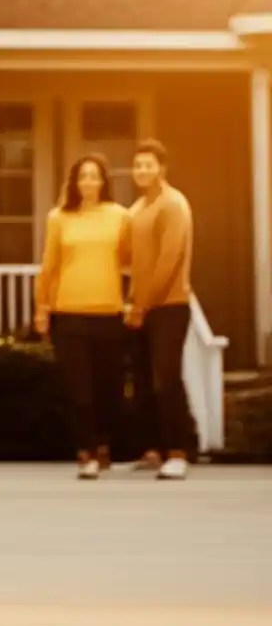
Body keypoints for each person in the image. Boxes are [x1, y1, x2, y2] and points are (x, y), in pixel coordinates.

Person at [34, 154, 130, 480]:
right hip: (68, 313)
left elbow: (132, 261)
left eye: (95, 176)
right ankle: (84, 453)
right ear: (75, 182)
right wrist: (42, 308)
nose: (88, 182)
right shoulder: (59, 217)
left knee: (109, 390)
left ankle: (103, 444)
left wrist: (134, 300)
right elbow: (49, 266)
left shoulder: (120, 216)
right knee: (79, 391)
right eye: (83, 176)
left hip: (109, 312)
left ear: (104, 181)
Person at [125, 138, 196, 480]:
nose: (142, 171)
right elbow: (134, 262)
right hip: (142, 306)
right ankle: (152, 451)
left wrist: (144, 304)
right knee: (141, 381)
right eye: (137, 165)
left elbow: (169, 262)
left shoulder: (174, 204)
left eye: (148, 165)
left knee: (166, 379)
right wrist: (133, 303)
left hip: (170, 305)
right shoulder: (137, 209)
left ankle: (178, 452)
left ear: (161, 169)